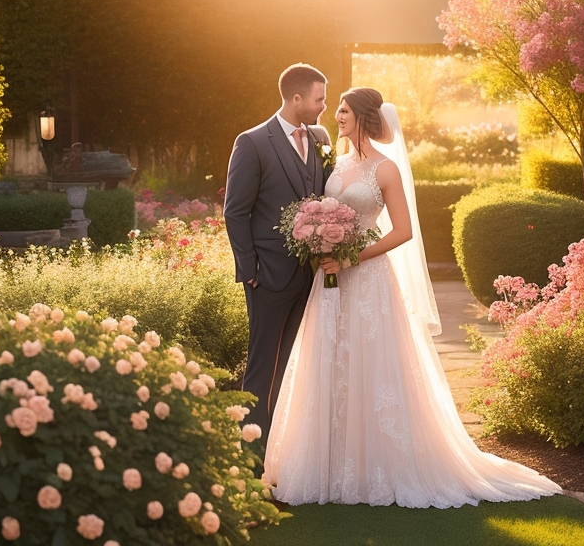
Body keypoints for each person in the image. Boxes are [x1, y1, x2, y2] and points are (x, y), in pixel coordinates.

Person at [263, 87, 562, 508]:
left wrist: (351, 259)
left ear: (365, 117)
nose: (338, 117)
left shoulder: (385, 170)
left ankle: (376, 467)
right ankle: (326, 464)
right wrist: (319, 245)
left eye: (345, 111)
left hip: (366, 281)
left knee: (372, 365)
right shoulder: (335, 163)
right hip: (329, 283)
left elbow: (402, 231)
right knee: (329, 361)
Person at [224, 63, 332, 442]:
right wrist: (248, 267)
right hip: (268, 273)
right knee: (262, 363)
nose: (324, 105)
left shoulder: (320, 137)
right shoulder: (252, 142)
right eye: (319, 98)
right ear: (296, 97)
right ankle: (250, 446)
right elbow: (235, 211)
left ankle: (286, 445)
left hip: (311, 272)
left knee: (295, 361)